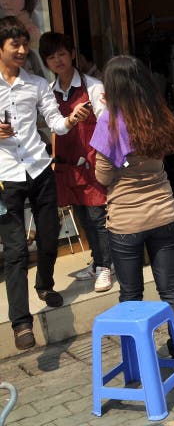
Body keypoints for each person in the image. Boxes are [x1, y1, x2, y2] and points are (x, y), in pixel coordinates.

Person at [0, 16, 92, 350]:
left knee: (51, 236)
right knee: (15, 251)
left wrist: (71, 119)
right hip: (5, 176)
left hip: (39, 168)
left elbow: (56, 122)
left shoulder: (37, 84)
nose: (23, 50)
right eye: (16, 45)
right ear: (2, 48)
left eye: (25, 44)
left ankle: (45, 284)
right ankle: (21, 323)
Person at [91, 56, 174, 355]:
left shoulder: (109, 120)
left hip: (126, 222)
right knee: (170, 288)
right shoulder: (157, 114)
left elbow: (103, 176)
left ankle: (136, 359)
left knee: (131, 293)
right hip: (163, 214)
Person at [39, 32, 114, 292]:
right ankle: (97, 261)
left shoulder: (93, 86)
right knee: (82, 214)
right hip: (68, 163)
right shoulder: (49, 92)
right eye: (51, 56)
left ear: (72, 54)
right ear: (46, 62)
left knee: (96, 214)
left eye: (62, 53)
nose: (58, 60)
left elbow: (107, 126)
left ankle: (106, 266)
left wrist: (102, 161)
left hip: (92, 162)